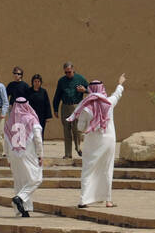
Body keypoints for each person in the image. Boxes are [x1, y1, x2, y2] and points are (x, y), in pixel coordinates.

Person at [67, 75, 126, 208]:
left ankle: (83, 200)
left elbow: (80, 128)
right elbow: (117, 94)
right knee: (107, 169)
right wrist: (120, 83)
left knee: (88, 169)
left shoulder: (86, 108)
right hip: (109, 141)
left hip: (92, 142)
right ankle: (108, 200)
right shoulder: (109, 103)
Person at [5, 97, 43, 217]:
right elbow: (38, 138)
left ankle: (23, 210)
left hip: (13, 154)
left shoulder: (9, 122)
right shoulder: (31, 119)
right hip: (27, 153)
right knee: (36, 178)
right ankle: (20, 198)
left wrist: (8, 159)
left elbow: (6, 141)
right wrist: (40, 154)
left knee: (20, 181)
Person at [51, 62, 88, 158]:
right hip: (65, 107)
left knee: (77, 129)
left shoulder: (80, 79)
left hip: (76, 106)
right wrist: (55, 109)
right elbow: (57, 95)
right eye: (66, 72)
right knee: (66, 130)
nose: (68, 74)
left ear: (73, 70)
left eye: (69, 72)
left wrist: (84, 90)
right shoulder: (61, 81)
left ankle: (78, 147)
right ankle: (68, 154)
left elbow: (91, 90)